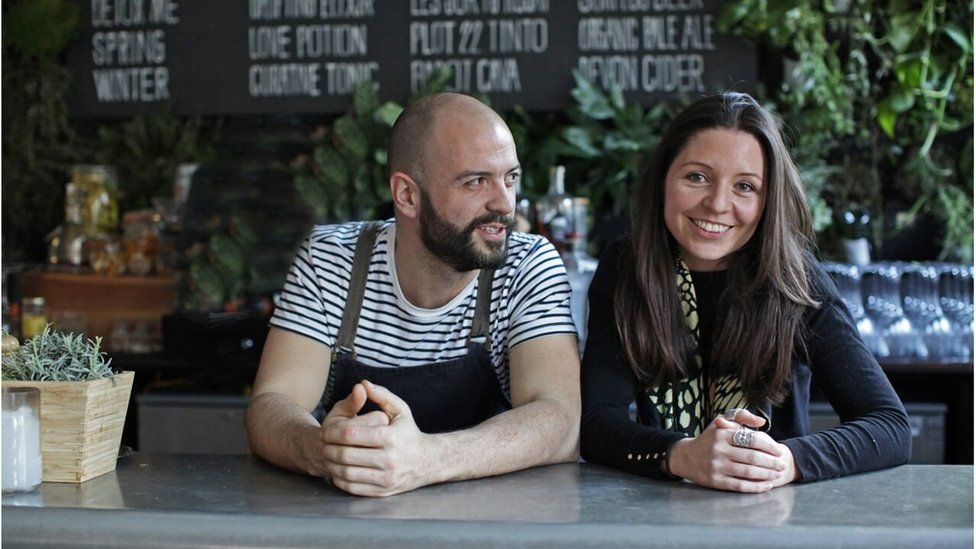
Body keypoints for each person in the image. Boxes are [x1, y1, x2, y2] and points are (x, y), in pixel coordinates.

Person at [246, 93, 580, 497]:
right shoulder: (333, 260)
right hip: (350, 526)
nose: (504, 203)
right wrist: (326, 450)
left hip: (492, 525)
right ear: (406, 195)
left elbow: (560, 422)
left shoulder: (527, 263)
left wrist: (426, 459)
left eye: (510, 178)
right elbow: (270, 407)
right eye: (476, 181)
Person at [580, 92, 911, 493]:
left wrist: (789, 461)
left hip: (776, 510)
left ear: (768, 199)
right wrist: (682, 455)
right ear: (663, 179)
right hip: (657, 512)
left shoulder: (794, 277)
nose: (718, 204)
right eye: (697, 177)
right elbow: (596, 423)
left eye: (745, 187)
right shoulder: (627, 267)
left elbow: (889, 426)